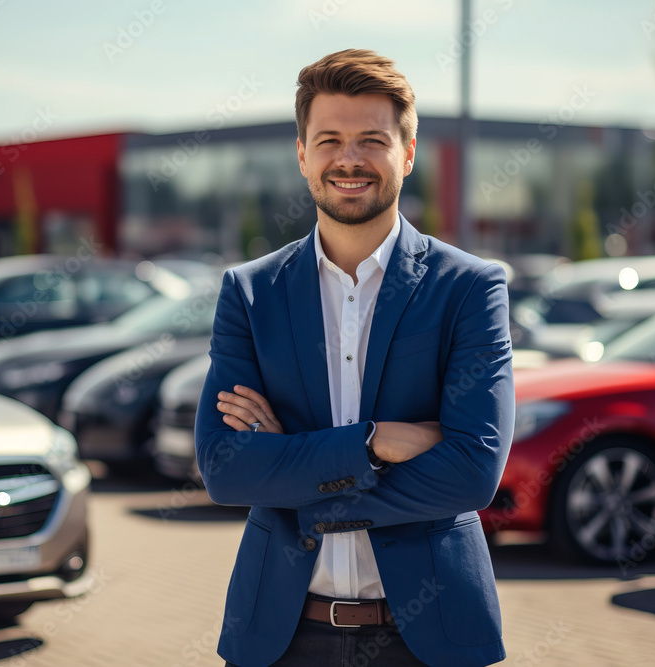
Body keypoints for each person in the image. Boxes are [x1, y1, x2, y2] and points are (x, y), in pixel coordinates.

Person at [195, 49, 514, 667]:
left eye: (372, 140)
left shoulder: (470, 288)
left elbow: (473, 471)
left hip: (431, 635)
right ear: (302, 154)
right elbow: (225, 468)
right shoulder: (251, 292)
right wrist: (372, 444)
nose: (349, 159)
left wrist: (293, 468)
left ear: (408, 153)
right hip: (281, 634)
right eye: (329, 141)